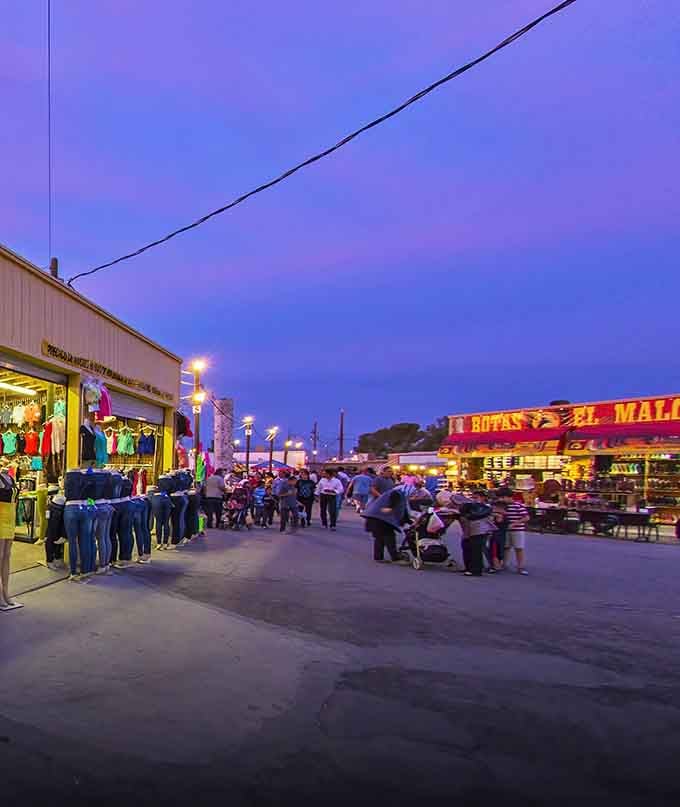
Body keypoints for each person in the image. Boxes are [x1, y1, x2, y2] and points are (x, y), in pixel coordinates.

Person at [362, 486, 410, 563]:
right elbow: (395, 498)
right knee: (389, 537)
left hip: (375, 517)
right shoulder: (398, 493)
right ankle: (395, 557)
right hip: (380, 518)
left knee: (379, 538)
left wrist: (410, 522)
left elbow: (404, 512)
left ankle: (379, 557)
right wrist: (391, 507)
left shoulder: (395, 494)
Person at [456, 493, 495, 577]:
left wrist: (466, 534)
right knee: (472, 549)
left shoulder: (483, 507)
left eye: (476, 497)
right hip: (477, 530)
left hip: (477, 530)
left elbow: (467, 520)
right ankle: (472, 568)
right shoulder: (479, 507)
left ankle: (475, 570)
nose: (474, 499)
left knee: (475, 550)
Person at [498, 487, 529, 574]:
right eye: (500, 498)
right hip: (506, 530)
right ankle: (504, 564)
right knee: (506, 547)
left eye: (503, 497)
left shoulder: (518, 505)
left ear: (509, 497)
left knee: (518, 548)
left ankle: (521, 566)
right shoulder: (502, 506)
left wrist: (514, 524)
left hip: (517, 530)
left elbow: (526, 517)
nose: (501, 499)